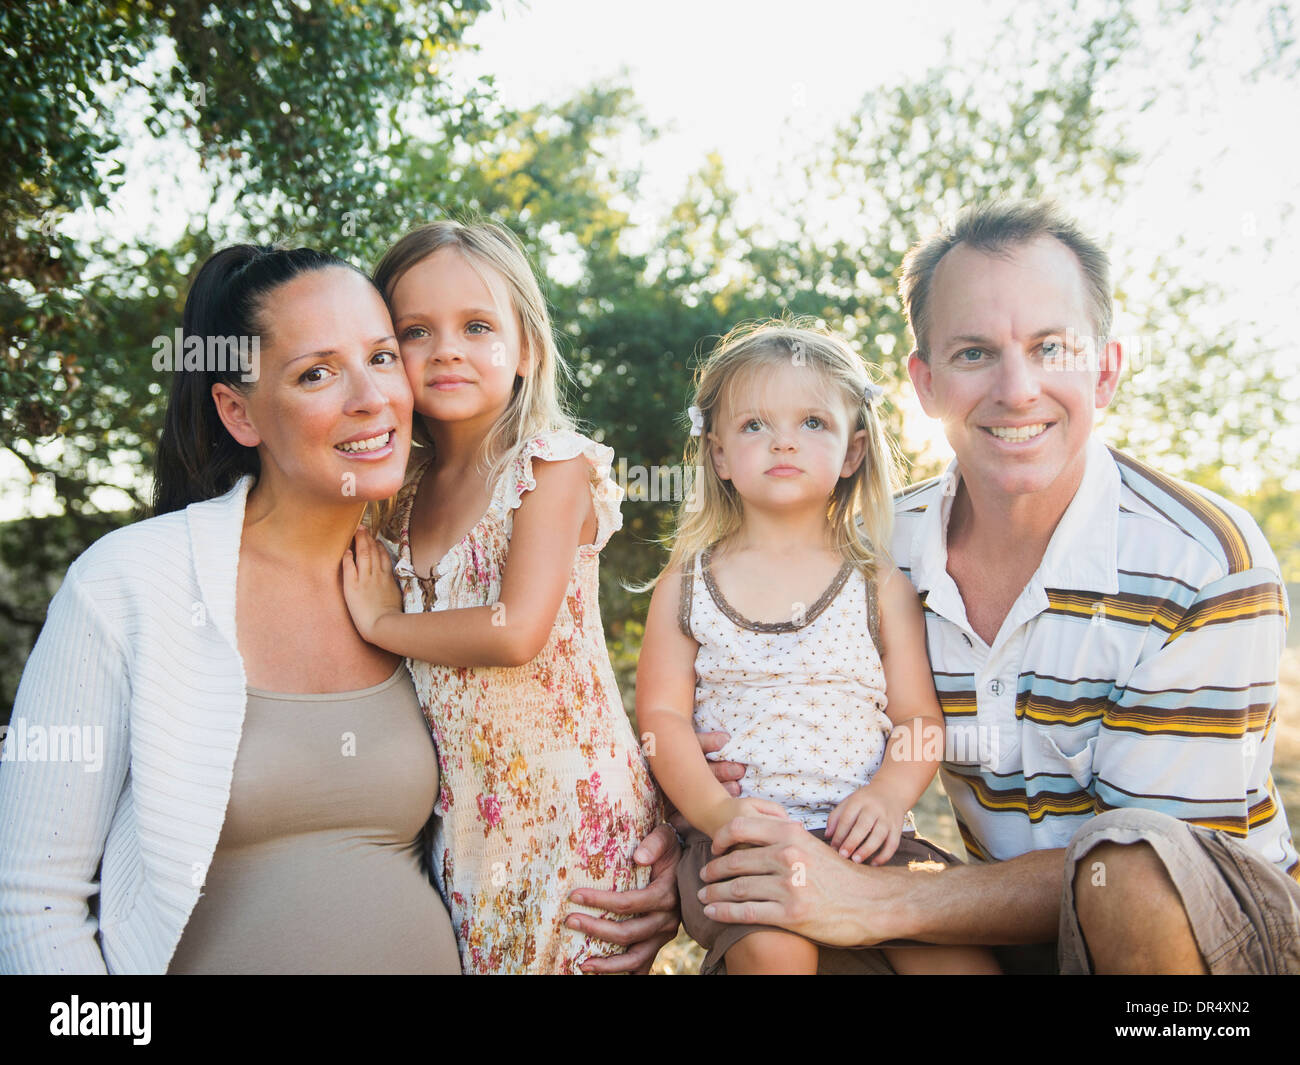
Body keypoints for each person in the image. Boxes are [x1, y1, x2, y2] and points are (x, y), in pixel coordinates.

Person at [0, 243, 678, 975]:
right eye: (316, 373)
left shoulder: (408, 579)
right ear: (238, 410)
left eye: (382, 356)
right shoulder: (129, 585)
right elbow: (31, 899)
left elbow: (524, 748)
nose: (370, 397)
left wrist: (651, 847)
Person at [693, 200, 1299, 975]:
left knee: (1131, 877)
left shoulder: (1203, 561)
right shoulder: (876, 552)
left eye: (1052, 347)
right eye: (975, 353)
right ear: (926, 383)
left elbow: (1146, 873)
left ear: (1106, 370)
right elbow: (746, 700)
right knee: (783, 950)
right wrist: (692, 826)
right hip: (994, 933)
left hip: (1206, 951)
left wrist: (876, 900)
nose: (1017, 389)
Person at [342, 220, 661, 974]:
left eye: (477, 326)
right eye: (415, 331)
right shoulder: (396, 497)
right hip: (466, 822)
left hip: (573, 811)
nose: (447, 348)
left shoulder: (552, 466)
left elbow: (517, 629)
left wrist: (384, 621)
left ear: (528, 351)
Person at [636, 321, 1000, 974]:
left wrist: (889, 797)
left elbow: (919, 719)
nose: (782, 440)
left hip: (868, 844)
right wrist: (718, 813)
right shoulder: (686, 584)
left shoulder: (878, 583)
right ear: (718, 454)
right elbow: (661, 719)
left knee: (959, 961)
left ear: (853, 450)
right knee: (776, 954)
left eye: (811, 421)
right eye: (753, 426)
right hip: (743, 846)